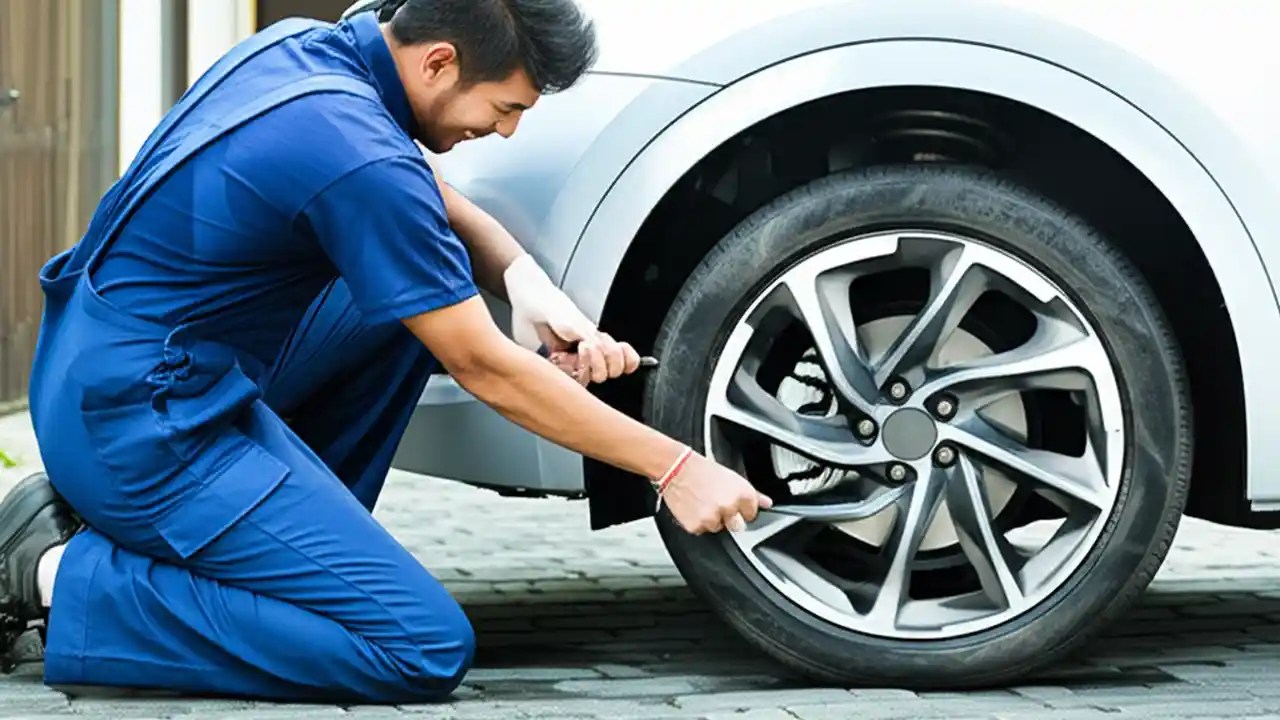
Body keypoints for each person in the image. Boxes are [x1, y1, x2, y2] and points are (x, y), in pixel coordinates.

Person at [0, 0, 771, 704]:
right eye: (505, 108)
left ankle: (276, 557)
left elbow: (420, 195)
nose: (506, 131)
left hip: (98, 373)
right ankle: (52, 576)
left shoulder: (301, 50)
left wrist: (523, 282)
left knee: (408, 305)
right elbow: (485, 367)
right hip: (141, 428)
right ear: (439, 61)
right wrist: (674, 467)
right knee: (417, 646)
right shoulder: (358, 154)